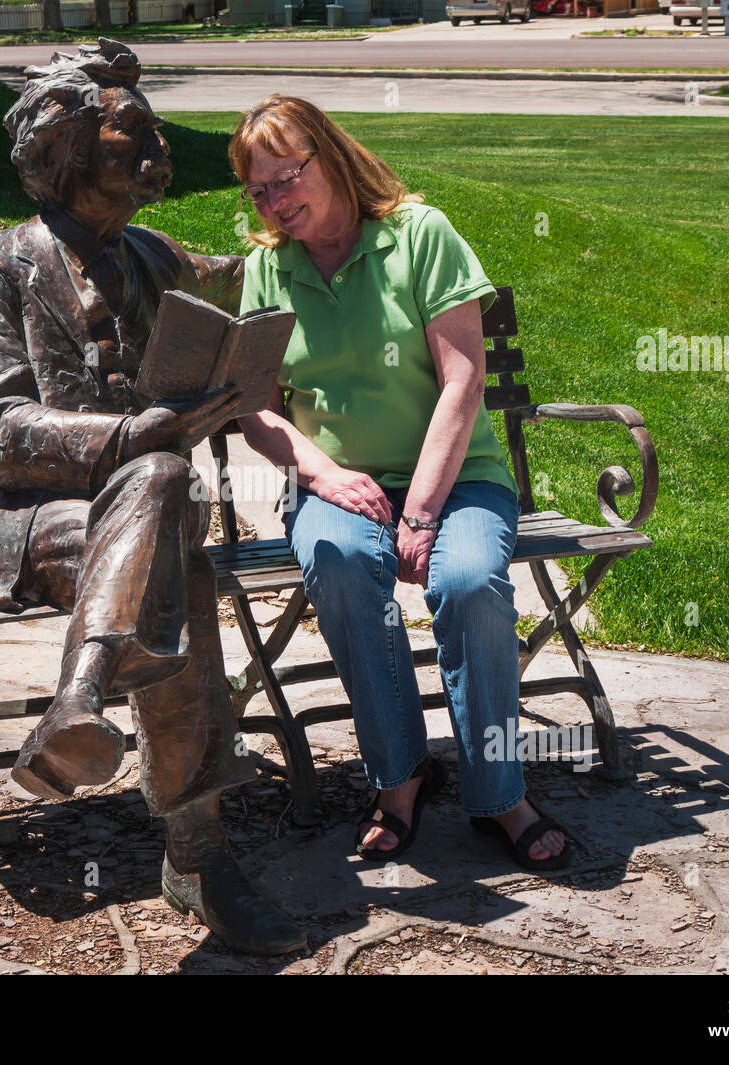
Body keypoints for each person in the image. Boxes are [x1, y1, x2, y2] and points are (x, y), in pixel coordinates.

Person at [0, 42, 305, 954]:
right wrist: (128, 436)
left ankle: (81, 700)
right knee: (164, 497)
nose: (157, 145)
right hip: (27, 520)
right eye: (131, 128)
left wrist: (344, 220)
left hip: (140, 511)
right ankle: (200, 852)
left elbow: (257, 277)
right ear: (67, 145)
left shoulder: (152, 253)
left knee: (162, 492)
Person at [229, 95, 570, 870]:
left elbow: (464, 379)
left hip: (458, 479)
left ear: (331, 156)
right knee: (344, 564)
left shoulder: (420, 236)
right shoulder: (266, 270)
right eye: (260, 191)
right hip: (336, 485)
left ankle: (498, 793)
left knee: (472, 579)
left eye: (289, 177)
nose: (277, 202)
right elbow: (256, 411)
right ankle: (400, 776)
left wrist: (420, 511)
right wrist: (325, 473)